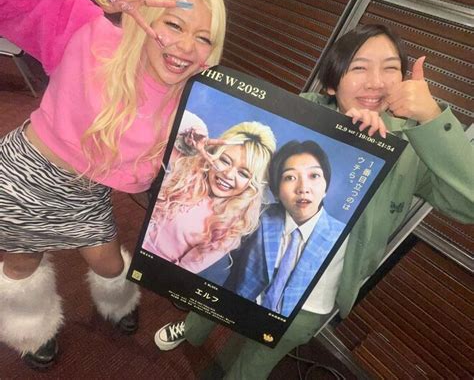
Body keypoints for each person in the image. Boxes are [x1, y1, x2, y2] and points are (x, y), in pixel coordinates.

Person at [154, 24, 474, 378]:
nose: (375, 82)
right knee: (213, 304)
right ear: (333, 83)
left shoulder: (412, 144)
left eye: (390, 68)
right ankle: (192, 329)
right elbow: (251, 171)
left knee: (255, 362)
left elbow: (468, 204)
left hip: (312, 294)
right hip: (253, 254)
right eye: (359, 67)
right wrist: (339, 132)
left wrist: (432, 119)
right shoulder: (299, 112)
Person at [0, 0, 225, 370]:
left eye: (203, 37)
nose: (186, 47)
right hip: (26, 176)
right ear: (146, 15)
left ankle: (119, 303)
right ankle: (29, 331)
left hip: (87, 193)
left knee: (108, 262)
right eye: (174, 24)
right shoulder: (89, 33)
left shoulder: (195, 99)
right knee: (20, 264)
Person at [143, 121, 276, 282]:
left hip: (151, 271)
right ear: (213, 153)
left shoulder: (229, 229)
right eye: (225, 161)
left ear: (251, 184)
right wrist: (188, 139)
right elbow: (157, 140)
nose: (228, 174)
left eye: (243, 174)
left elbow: (180, 272)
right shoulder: (185, 170)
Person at [226, 140, 345, 317]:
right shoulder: (257, 215)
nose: (303, 188)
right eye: (290, 177)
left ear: (326, 186)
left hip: (294, 318)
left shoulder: (341, 235)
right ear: (276, 191)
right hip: (239, 304)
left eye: (314, 176)